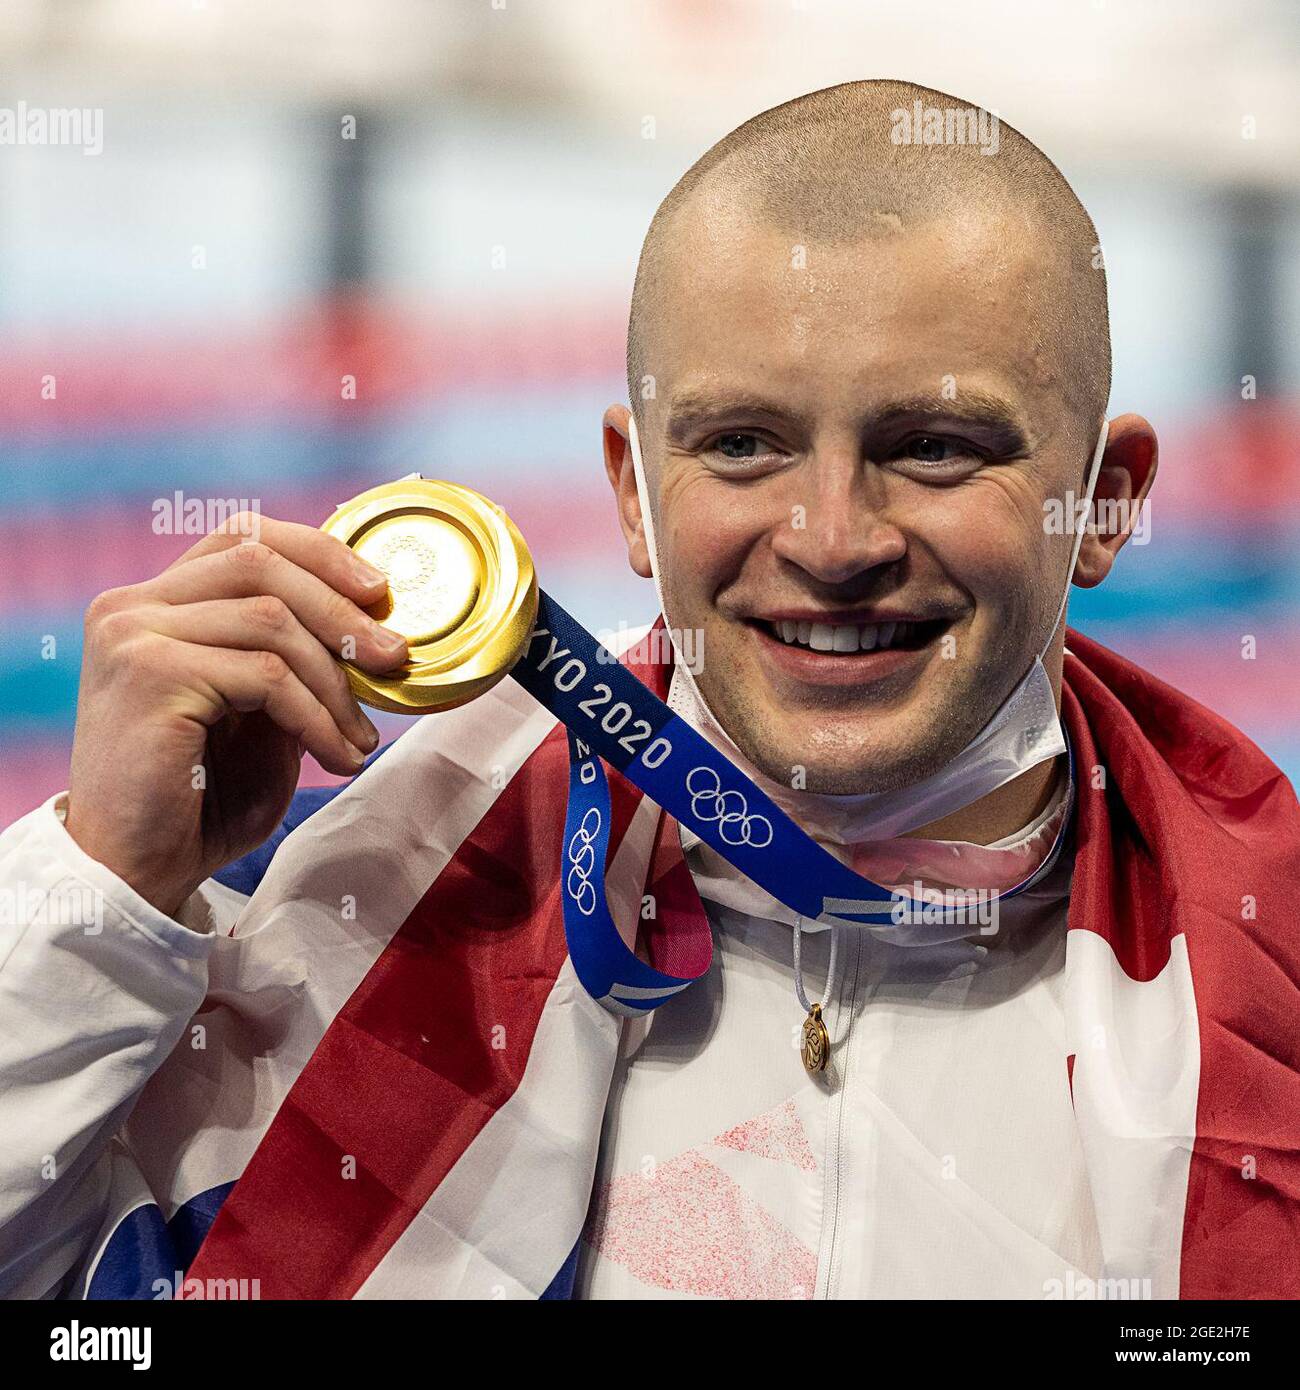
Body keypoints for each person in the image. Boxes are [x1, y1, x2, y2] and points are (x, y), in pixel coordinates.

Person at [0, 79, 1295, 1301]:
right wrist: (96, 895)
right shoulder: (323, 907)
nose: (833, 539)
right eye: (743, 444)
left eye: (936, 448)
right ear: (631, 488)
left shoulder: (1271, 972)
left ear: (1107, 500)